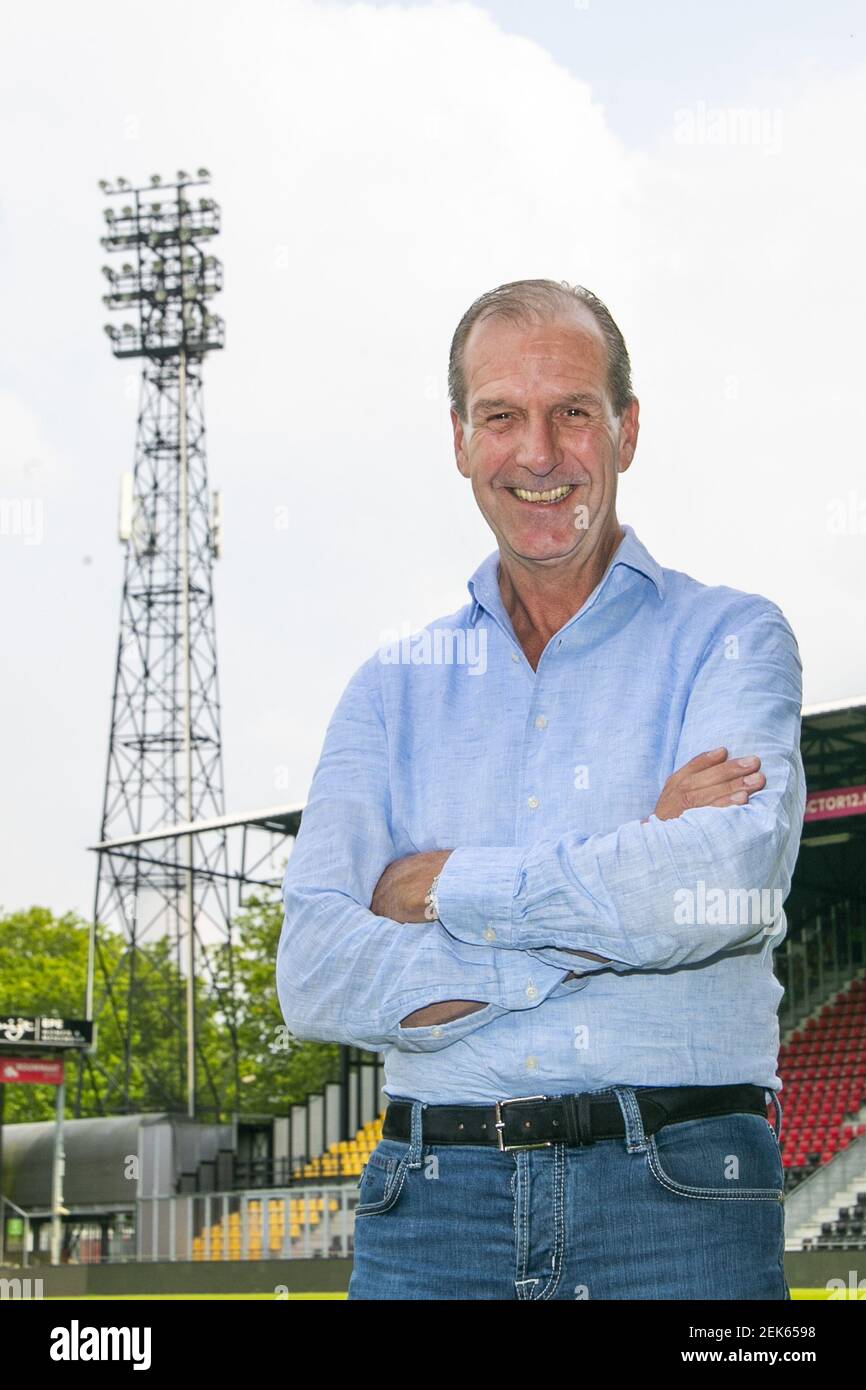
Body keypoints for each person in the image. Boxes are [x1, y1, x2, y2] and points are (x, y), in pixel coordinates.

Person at [276, 279, 806, 1300]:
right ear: (459, 440)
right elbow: (314, 974)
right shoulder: (390, 687)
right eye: (500, 417)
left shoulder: (732, 638)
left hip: (677, 1200)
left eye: (571, 411)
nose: (537, 453)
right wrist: (619, 889)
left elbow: (723, 886)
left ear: (627, 429)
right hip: (431, 1209)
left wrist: (445, 884)